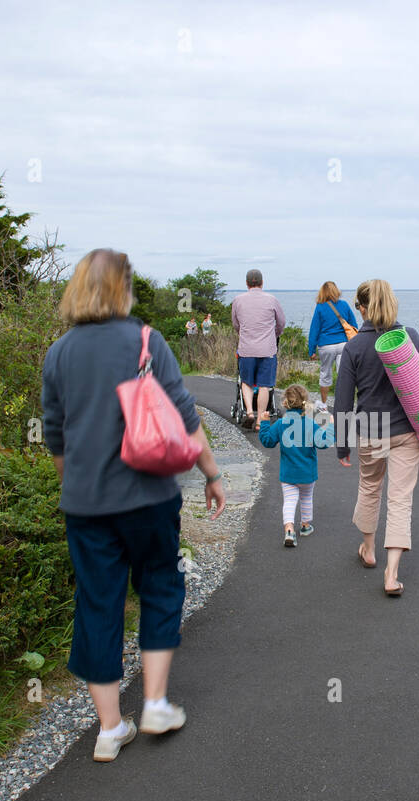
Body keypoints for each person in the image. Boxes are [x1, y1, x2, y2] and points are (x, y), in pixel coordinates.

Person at [41, 249, 226, 762]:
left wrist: (75, 486)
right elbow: (186, 418)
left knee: (98, 602)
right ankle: (155, 704)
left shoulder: (58, 353)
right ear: (122, 289)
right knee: (161, 587)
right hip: (148, 496)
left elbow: (55, 437)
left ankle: (107, 729)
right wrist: (210, 474)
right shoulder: (147, 340)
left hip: (85, 505)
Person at [333, 279, 419, 597]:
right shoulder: (410, 337)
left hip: (370, 432)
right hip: (407, 432)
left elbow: (343, 402)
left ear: (362, 309)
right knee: (400, 499)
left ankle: (368, 550)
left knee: (370, 488)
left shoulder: (354, 347)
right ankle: (391, 575)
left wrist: (342, 445)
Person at [258, 384, 335, 547]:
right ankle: (305, 526)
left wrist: (265, 423)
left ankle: (289, 529)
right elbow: (324, 442)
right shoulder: (310, 423)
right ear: (305, 403)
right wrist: (330, 426)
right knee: (306, 498)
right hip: (307, 473)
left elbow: (268, 441)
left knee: (290, 500)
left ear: (285, 402)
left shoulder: (280, 424)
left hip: (288, 474)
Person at [230, 268, 285, 430]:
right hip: (267, 349)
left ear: (247, 283)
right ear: (262, 283)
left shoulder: (238, 300)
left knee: (246, 382)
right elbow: (281, 323)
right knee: (264, 385)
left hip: (246, 349)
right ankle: (261, 420)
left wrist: (244, 333)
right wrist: (273, 335)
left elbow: (236, 324)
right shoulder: (272, 300)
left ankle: (249, 412)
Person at [307, 281, 356, 411]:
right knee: (343, 376)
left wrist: (311, 350)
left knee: (325, 374)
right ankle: (344, 406)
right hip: (343, 344)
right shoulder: (344, 305)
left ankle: (323, 405)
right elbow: (354, 325)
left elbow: (314, 330)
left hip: (326, 345)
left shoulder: (320, 307)